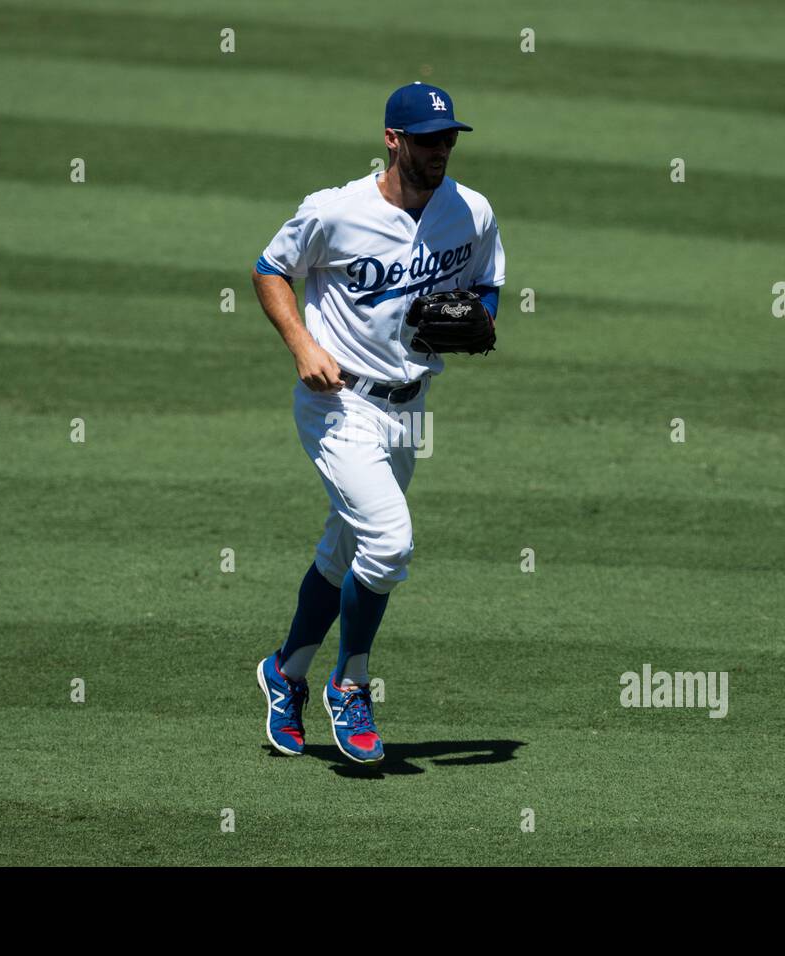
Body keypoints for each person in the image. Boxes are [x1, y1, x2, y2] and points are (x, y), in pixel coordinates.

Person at [251, 82, 506, 765]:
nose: (440, 151)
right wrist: (304, 347)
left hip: (411, 408)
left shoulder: (470, 212)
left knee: (344, 550)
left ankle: (285, 674)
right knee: (389, 544)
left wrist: (483, 316)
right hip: (339, 405)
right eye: (427, 140)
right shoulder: (335, 211)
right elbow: (270, 270)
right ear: (393, 140)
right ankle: (351, 684)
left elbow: (488, 285)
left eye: (448, 138)